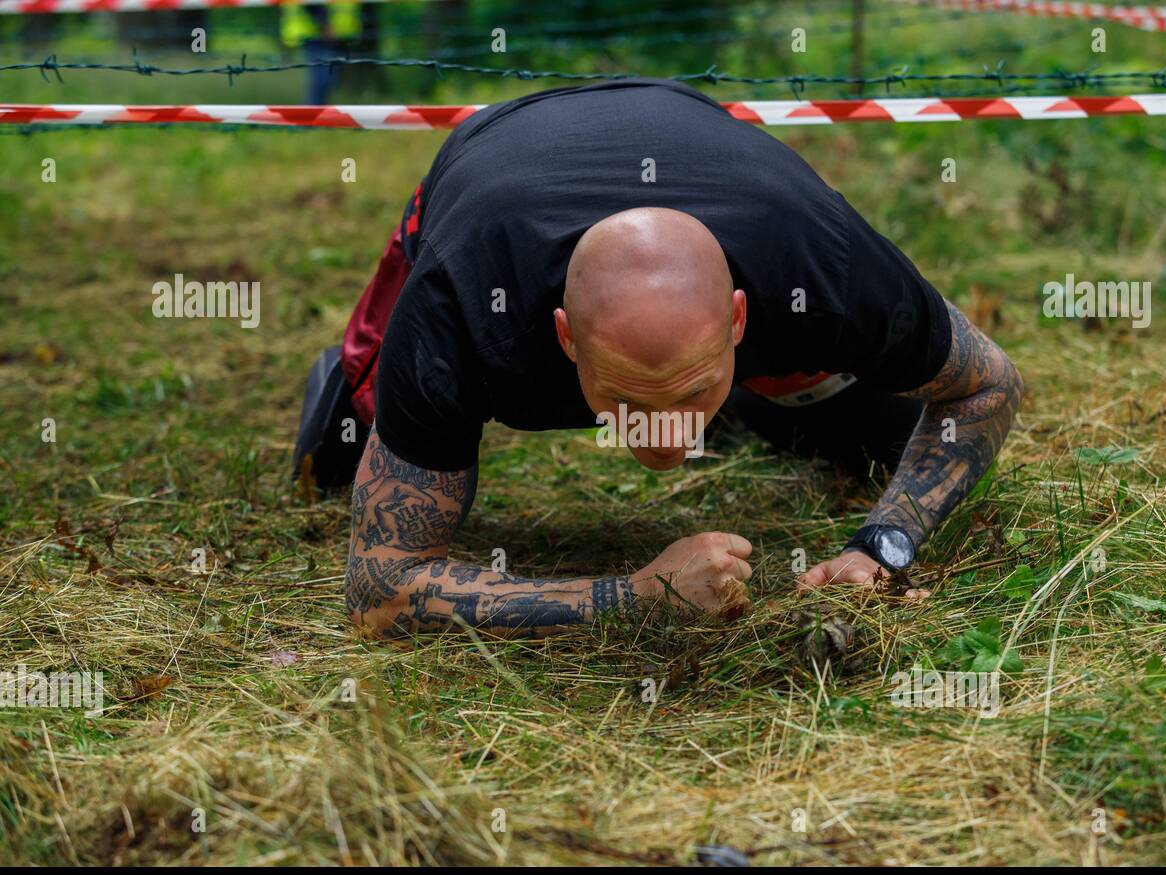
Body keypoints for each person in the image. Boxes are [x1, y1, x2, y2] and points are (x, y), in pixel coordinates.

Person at [291, 79, 1024, 637]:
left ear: (740, 318)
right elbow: (379, 591)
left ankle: (741, 399)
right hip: (491, 157)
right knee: (343, 440)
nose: (668, 438)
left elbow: (987, 386)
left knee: (882, 438)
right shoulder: (463, 295)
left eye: (690, 394)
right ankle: (354, 392)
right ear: (566, 338)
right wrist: (634, 597)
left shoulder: (822, 267)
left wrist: (885, 545)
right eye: (630, 402)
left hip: (707, 139)